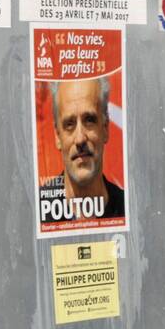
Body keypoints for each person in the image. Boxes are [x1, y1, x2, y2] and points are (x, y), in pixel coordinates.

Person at [38, 76, 125, 226]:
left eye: (89, 120)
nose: (80, 139)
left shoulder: (128, 208)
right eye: (69, 124)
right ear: (57, 136)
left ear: (105, 128)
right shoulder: (35, 212)